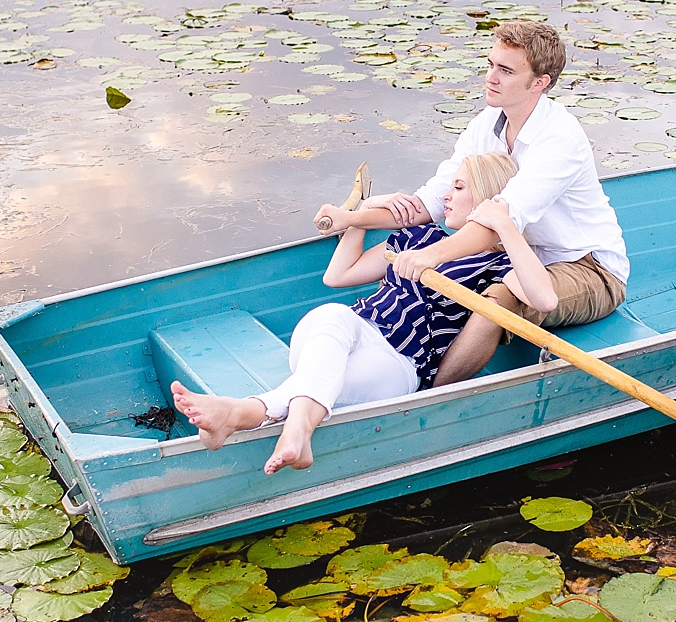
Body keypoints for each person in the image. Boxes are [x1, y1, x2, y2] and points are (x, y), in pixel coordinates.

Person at [172, 152, 555, 474]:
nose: (446, 196)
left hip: (398, 363)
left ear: (487, 195)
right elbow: (339, 275)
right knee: (332, 315)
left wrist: (505, 225)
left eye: (458, 187)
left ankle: (245, 414)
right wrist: (362, 213)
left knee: (335, 376)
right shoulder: (421, 238)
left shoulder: (497, 267)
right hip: (348, 330)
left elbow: (544, 299)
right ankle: (291, 428)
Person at [363, 19, 628, 386]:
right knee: (434, 256)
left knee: (497, 301)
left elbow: (497, 220)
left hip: (586, 267)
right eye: (490, 65)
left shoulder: (560, 139)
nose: (491, 77)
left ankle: (430, 395)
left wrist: (432, 256)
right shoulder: (487, 123)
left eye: (505, 71)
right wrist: (350, 218)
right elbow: (431, 201)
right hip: (515, 254)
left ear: (540, 83)